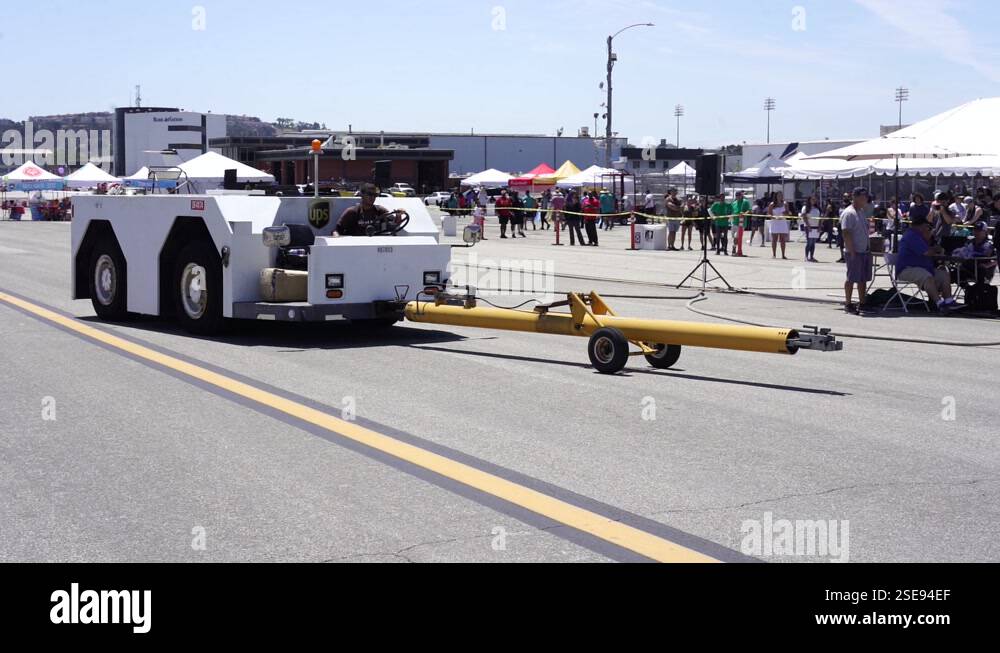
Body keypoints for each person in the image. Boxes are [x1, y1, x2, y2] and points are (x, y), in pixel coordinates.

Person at [896, 213, 959, 312]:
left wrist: (931, 241)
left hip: (922, 267)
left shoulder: (920, 236)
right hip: (907, 269)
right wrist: (937, 249)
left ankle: (948, 301)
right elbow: (927, 252)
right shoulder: (912, 235)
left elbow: (928, 249)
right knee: (927, 276)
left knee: (943, 274)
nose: (928, 228)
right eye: (927, 226)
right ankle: (939, 304)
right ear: (921, 226)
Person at [840, 187, 872, 314]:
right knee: (852, 278)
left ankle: (862, 302)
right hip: (854, 251)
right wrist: (852, 251)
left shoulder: (861, 211)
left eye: (866, 197)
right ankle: (848, 304)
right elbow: (846, 233)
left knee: (862, 279)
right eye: (862, 197)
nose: (865, 199)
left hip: (864, 250)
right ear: (855, 197)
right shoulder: (849, 213)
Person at [335, 184, 404, 236]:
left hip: (374, 247)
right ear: (362, 195)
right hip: (356, 247)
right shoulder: (352, 212)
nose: (372, 197)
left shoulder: (380, 210)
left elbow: (394, 224)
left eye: (375, 195)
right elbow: (336, 231)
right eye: (370, 194)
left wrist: (398, 215)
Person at [800, 195, 821, 262]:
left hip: (816, 227)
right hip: (808, 227)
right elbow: (804, 217)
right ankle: (806, 257)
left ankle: (811, 256)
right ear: (809, 200)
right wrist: (808, 226)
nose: (814, 201)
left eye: (815, 199)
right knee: (809, 242)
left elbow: (820, 218)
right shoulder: (805, 207)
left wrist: (819, 227)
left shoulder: (817, 208)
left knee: (813, 243)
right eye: (812, 199)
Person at [768, 191, 789, 259]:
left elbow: (788, 213)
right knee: (774, 239)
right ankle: (774, 254)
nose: (780, 196)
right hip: (774, 222)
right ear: (776, 196)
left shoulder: (785, 203)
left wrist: (784, 213)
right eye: (779, 195)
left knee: (782, 239)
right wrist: (774, 217)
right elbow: (769, 214)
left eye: (781, 195)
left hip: (782, 222)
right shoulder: (772, 204)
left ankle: (783, 255)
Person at [730, 190, 751, 257]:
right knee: (734, 237)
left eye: (739, 195)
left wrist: (745, 214)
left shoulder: (745, 202)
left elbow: (749, 210)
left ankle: (736, 249)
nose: (738, 196)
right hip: (734, 222)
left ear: (741, 195)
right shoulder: (734, 203)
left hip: (741, 223)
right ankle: (734, 246)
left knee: (737, 236)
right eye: (737, 195)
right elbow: (731, 211)